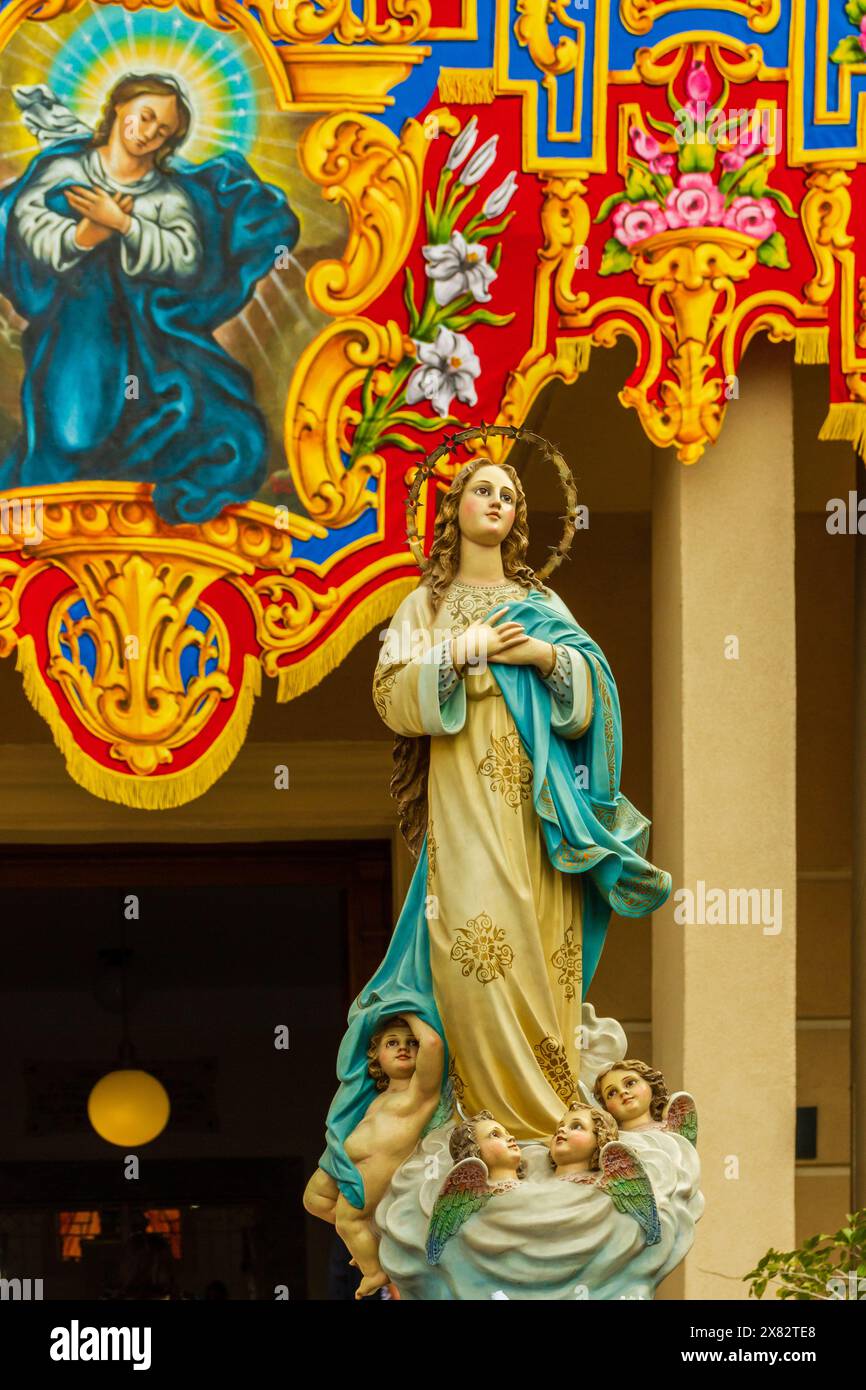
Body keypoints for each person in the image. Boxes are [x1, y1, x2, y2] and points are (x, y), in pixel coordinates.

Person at [317, 457, 671, 1213]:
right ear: (454, 507)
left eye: (511, 495)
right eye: (484, 489)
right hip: (466, 808)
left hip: (539, 818)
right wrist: (461, 654)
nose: (499, 502)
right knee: (476, 951)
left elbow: (592, 697)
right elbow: (391, 695)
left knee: (541, 962)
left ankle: (554, 1130)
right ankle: (484, 1128)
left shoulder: (541, 600)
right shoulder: (425, 604)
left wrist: (545, 656)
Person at [0, 74, 299, 523]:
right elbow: (28, 226)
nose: (147, 133)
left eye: (162, 131)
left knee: (210, 421)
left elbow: (185, 257)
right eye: (144, 117)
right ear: (119, 108)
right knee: (73, 433)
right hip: (77, 329)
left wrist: (123, 227)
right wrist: (84, 235)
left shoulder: (167, 194)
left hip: (150, 335)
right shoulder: (66, 170)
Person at [304, 1013, 443, 1299]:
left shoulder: (420, 1092)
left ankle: (374, 1271)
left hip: (376, 1170)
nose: (403, 1047)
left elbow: (432, 1042)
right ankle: (370, 1238)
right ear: (376, 1055)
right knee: (313, 1198)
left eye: (410, 1043)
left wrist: (406, 1010)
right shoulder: (374, 1096)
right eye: (392, 1043)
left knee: (348, 1219)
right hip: (348, 1164)